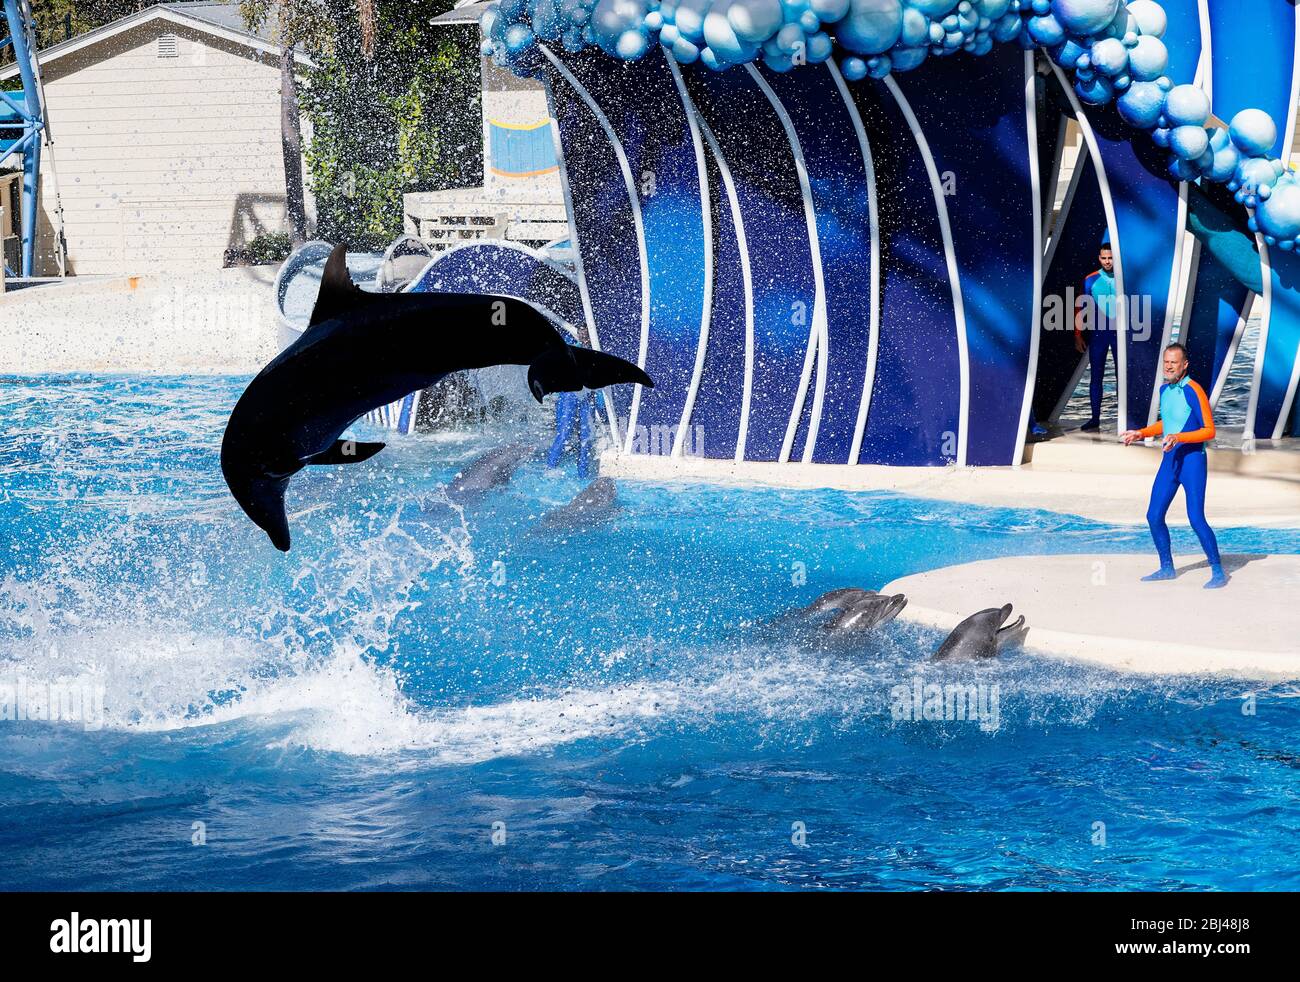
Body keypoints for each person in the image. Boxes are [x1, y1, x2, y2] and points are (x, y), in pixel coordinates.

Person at [1121, 343, 1227, 589]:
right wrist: (1141, 433)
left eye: (1174, 362)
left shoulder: (1193, 390)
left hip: (1192, 461)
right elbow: (1169, 422)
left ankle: (1218, 570)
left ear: (1184, 364)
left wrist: (1179, 438)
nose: (1169, 366)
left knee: (1196, 518)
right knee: (1154, 515)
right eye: (1166, 362)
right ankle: (1167, 567)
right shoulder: (1165, 389)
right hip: (1170, 460)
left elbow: (1209, 430)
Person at [1075, 244, 1118, 432]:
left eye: (1110, 258)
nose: (1108, 262)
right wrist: (1077, 335)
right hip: (1098, 333)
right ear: (1099, 258)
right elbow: (1080, 307)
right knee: (1096, 377)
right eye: (1104, 258)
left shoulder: (1124, 277)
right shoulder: (1090, 279)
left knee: (1122, 377)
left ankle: (1125, 418)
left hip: (1119, 334)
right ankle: (1094, 418)